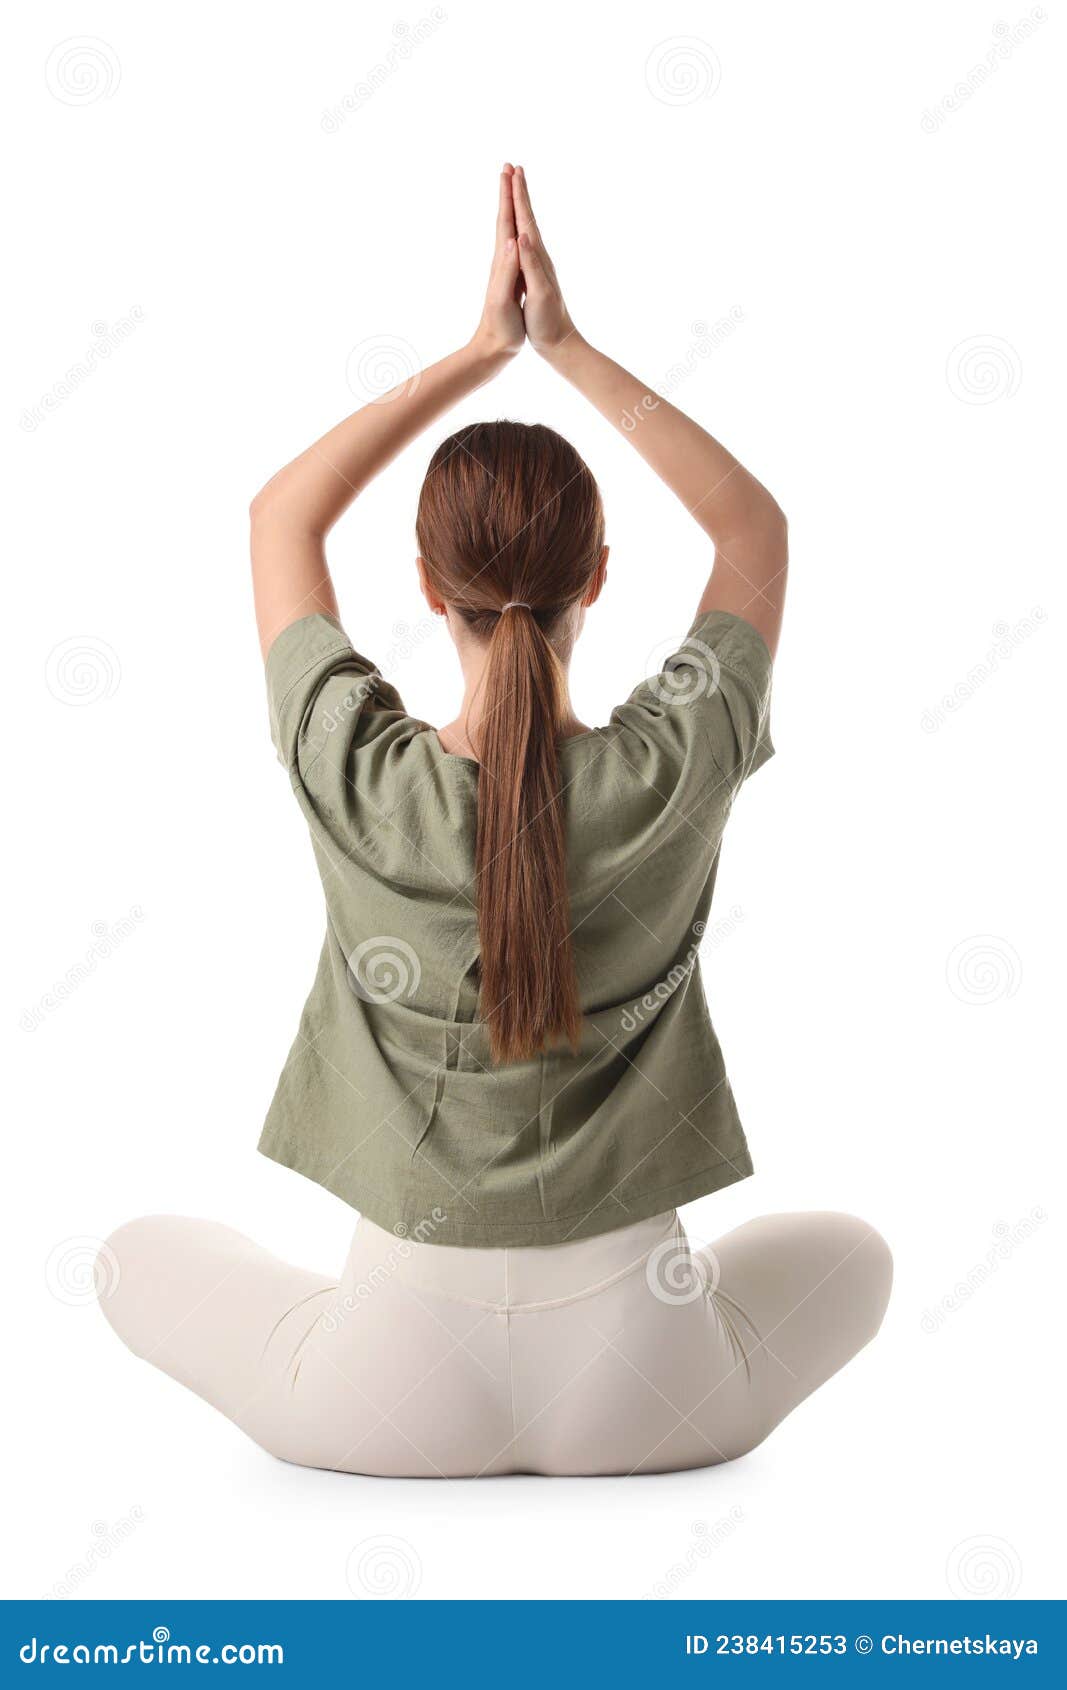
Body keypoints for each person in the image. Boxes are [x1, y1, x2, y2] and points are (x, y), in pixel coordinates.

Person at [98, 167, 891, 1478]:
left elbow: (279, 515)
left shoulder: (358, 771)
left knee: (129, 1257)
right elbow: (754, 522)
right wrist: (565, 351)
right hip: (652, 1382)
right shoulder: (671, 765)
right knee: (860, 1256)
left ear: (422, 583)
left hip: (383, 1388)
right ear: (596, 578)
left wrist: (477, 355)